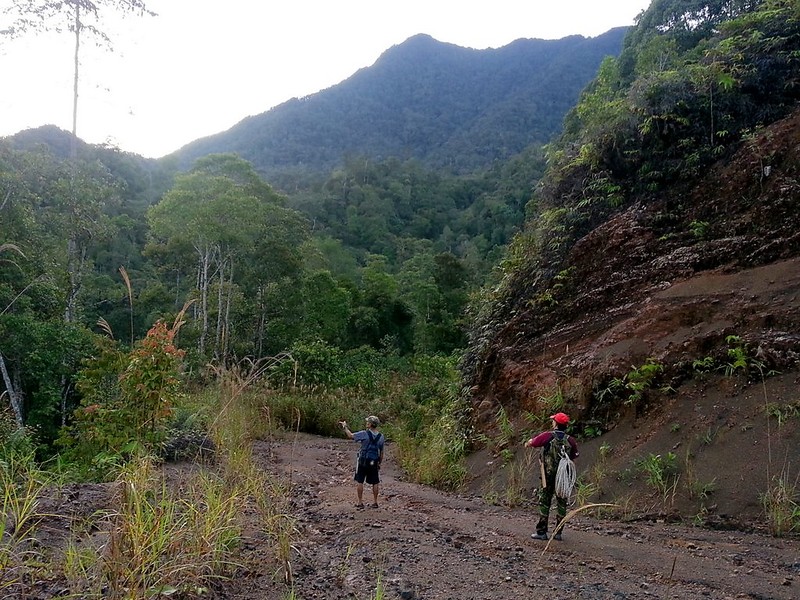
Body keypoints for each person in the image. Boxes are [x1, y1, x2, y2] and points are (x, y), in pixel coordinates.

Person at [524, 412, 579, 540]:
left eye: (553, 421)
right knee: (562, 503)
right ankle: (558, 533)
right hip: (563, 478)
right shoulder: (570, 440)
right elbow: (573, 456)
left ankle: (541, 532)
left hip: (548, 476)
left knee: (545, 501)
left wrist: (528, 443)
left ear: (555, 424)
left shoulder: (548, 436)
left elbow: (534, 442)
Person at [339, 415, 385, 509]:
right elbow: (381, 452)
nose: (366, 423)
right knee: (375, 482)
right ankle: (375, 502)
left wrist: (345, 427)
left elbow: (351, 435)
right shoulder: (381, 437)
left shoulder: (364, 433)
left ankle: (360, 502)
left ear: (371, 424)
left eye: (368, 422)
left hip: (363, 460)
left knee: (360, 481)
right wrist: (379, 463)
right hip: (374, 461)